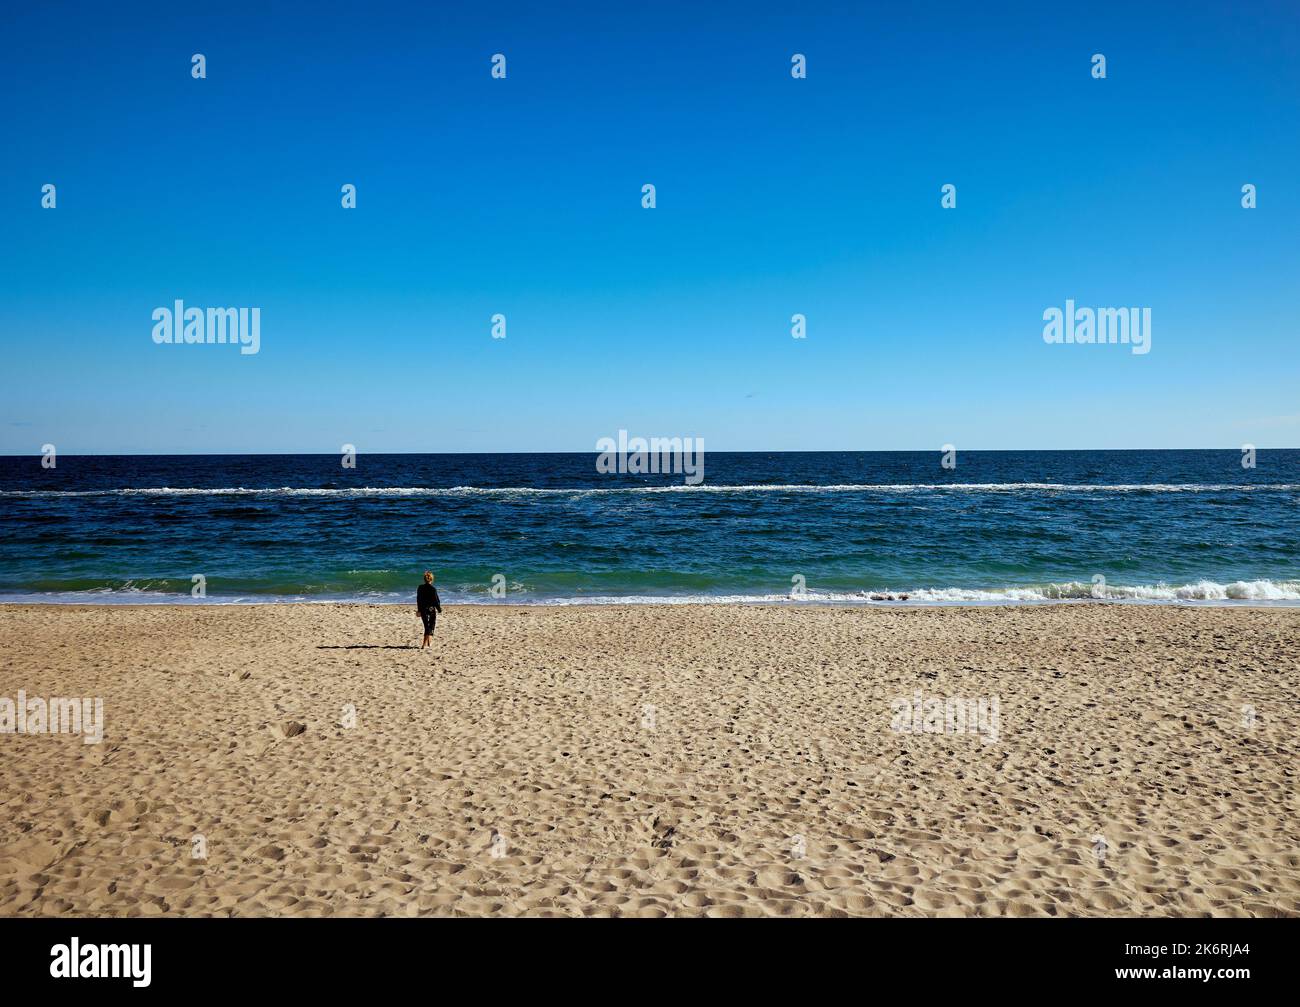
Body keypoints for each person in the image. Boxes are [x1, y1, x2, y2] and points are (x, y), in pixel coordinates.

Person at [416, 571, 442, 649]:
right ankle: (424, 644)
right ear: (432, 579)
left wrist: (419, 610)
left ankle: (428, 643)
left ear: (424, 579)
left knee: (426, 626)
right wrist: (439, 609)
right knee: (431, 626)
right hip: (431, 610)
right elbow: (436, 601)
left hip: (423, 609)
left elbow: (418, 600)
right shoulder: (433, 589)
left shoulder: (420, 588)